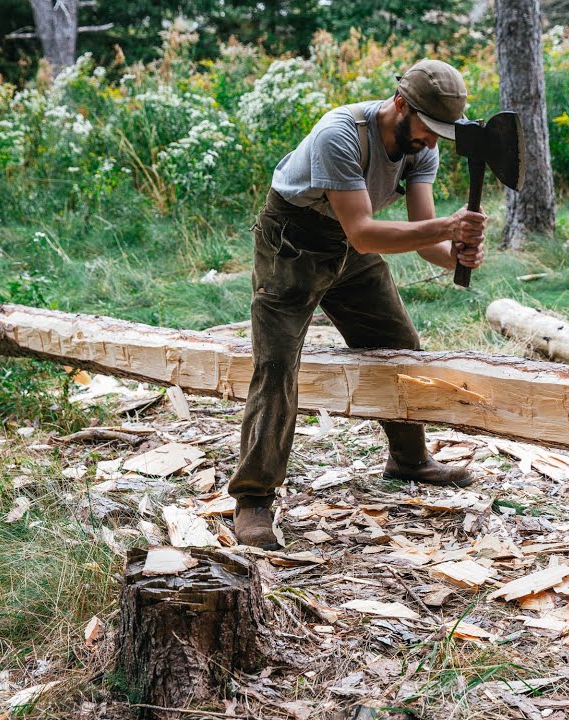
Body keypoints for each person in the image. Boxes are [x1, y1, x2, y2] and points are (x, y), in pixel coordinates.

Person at [228, 59, 488, 548]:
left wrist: (456, 250)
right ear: (399, 105)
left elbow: (424, 239)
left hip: (350, 247)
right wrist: (446, 229)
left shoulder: (420, 149)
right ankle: (253, 498)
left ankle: (409, 459)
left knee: (400, 349)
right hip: (294, 241)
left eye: (442, 133)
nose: (433, 141)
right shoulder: (340, 133)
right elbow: (365, 232)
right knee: (278, 363)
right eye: (428, 128)